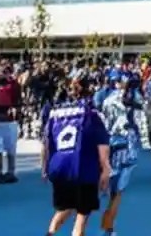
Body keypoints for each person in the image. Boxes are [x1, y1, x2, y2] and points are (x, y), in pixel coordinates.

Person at [42, 75, 111, 236]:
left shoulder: (54, 114)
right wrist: (105, 169)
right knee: (82, 214)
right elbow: (102, 147)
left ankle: (50, 233)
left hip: (59, 167)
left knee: (64, 207)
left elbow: (46, 144)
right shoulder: (92, 115)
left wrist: (44, 167)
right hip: (83, 167)